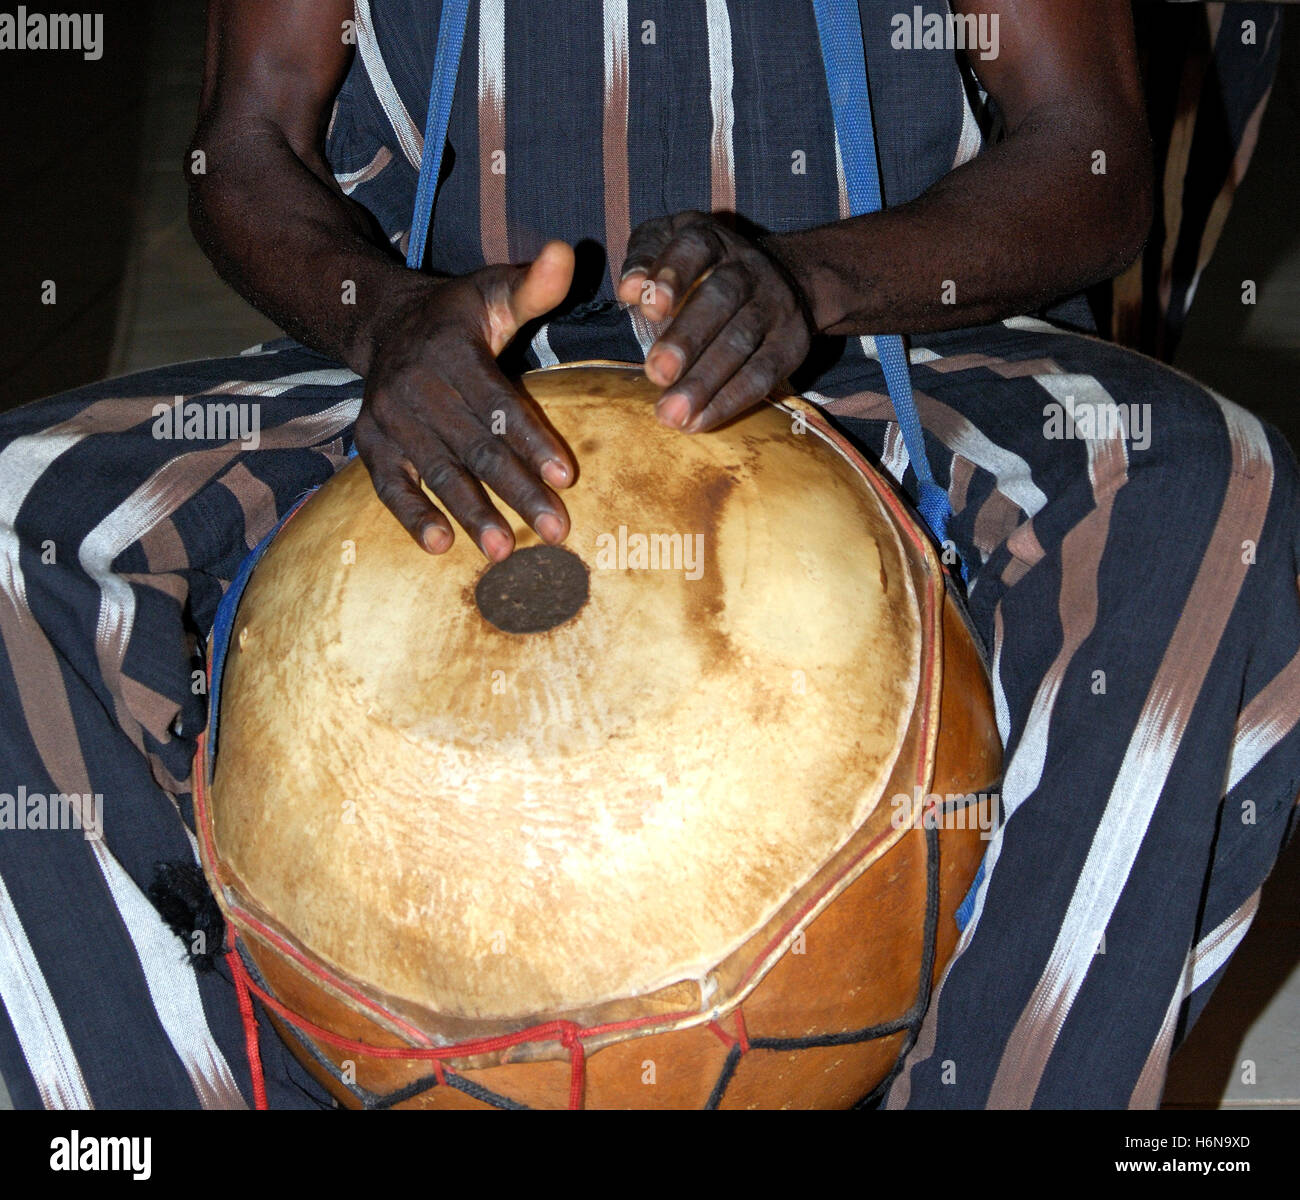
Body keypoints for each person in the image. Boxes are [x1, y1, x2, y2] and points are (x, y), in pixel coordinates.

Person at [0, 0, 1296, 1109]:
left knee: (1207, 495)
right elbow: (247, 143)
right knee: (20, 524)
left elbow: (1090, 161)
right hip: (453, 375)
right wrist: (384, 315)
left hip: (877, 350)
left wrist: (810, 283)